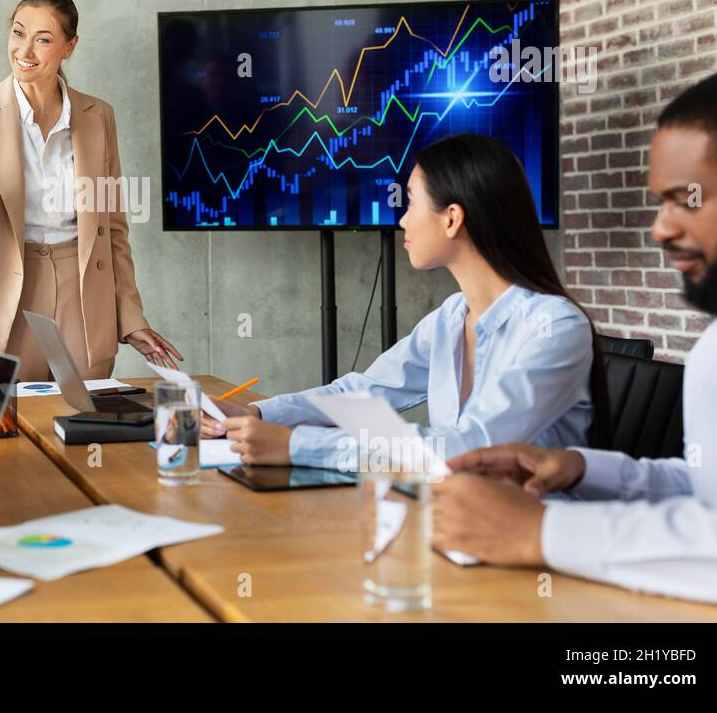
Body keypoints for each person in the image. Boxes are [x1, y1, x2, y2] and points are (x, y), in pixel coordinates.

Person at [434, 67, 717, 607]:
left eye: (686, 200)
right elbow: (715, 489)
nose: (660, 229)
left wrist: (539, 533)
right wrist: (579, 467)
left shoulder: (555, 324)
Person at [208, 133, 608, 467]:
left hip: (530, 533)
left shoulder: (553, 328)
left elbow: (475, 448)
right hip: (454, 519)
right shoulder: (452, 316)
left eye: (412, 201)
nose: (401, 219)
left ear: (451, 218)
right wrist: (259, 412)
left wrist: (298, 447)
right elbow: (365, 395)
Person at [0, 0, 182, 381]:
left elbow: (113, 227)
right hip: (0, 289)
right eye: (18, 33)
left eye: (43, 39)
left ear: (69, 47)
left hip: (82, 291)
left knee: (80, 424)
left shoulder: (97, 115)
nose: (25, 50)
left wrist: (130, 317)